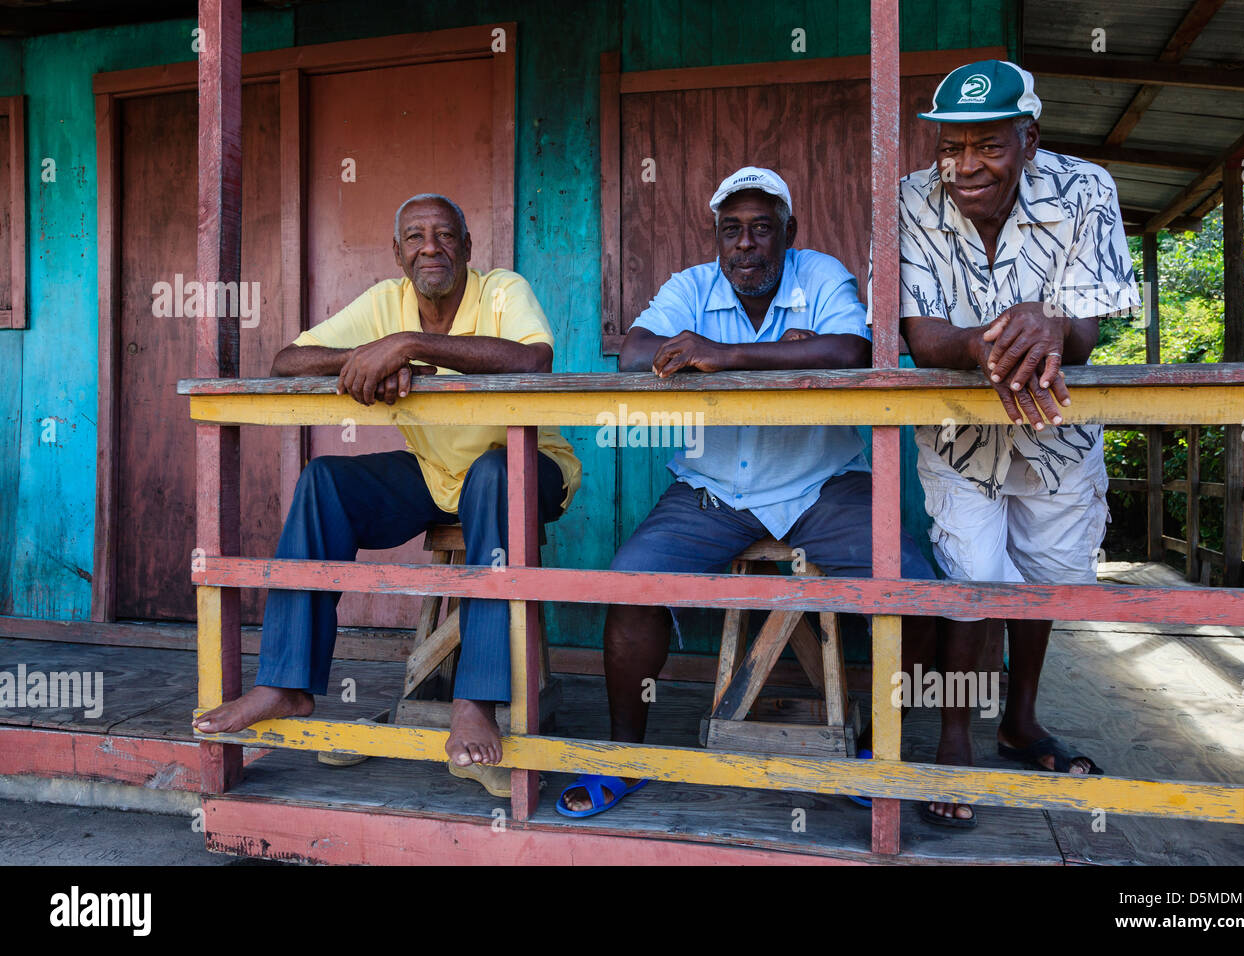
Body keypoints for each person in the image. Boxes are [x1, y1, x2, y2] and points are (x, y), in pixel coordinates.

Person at [557, 167, 935, 817]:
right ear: (717, 238)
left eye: (763, 228)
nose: (746, 244)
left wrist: (724, 355)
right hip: (713, 490)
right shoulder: (691, 286)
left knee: (917, 593)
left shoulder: (819, 275)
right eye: (731, 230)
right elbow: (634, 352)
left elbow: (850, 350)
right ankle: (626, 757)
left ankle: (876, 753)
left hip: (821, 484)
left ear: (790, 232)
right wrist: (784, 354)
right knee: (629, 588)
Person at [192, 193, 582, 797]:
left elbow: (533, 359)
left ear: (468, 247)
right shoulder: (385, 301)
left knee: (491, 477)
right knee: (326, 484)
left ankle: (476, 699)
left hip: (527, 471)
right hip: (434, 473)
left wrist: (410, 346)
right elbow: (285, 362)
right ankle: (286, 684)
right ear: (398, 252)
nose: (432, 247)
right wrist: (370, 356)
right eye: (417, 237)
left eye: (446, 235)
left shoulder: (503, 289)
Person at [894, 61, 1139, 827]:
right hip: (961, 441)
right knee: (971, 585)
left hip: (1058, 435)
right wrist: (994, 343)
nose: (965, 166)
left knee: (1045, 584)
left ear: (1029, 138)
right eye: (950, 147)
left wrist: (1051, 321)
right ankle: (956, 738)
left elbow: (1090, 330)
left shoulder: (1086, 188)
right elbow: (922, 333)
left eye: (988, 147)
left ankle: (1019, 719)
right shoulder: (910, 198)